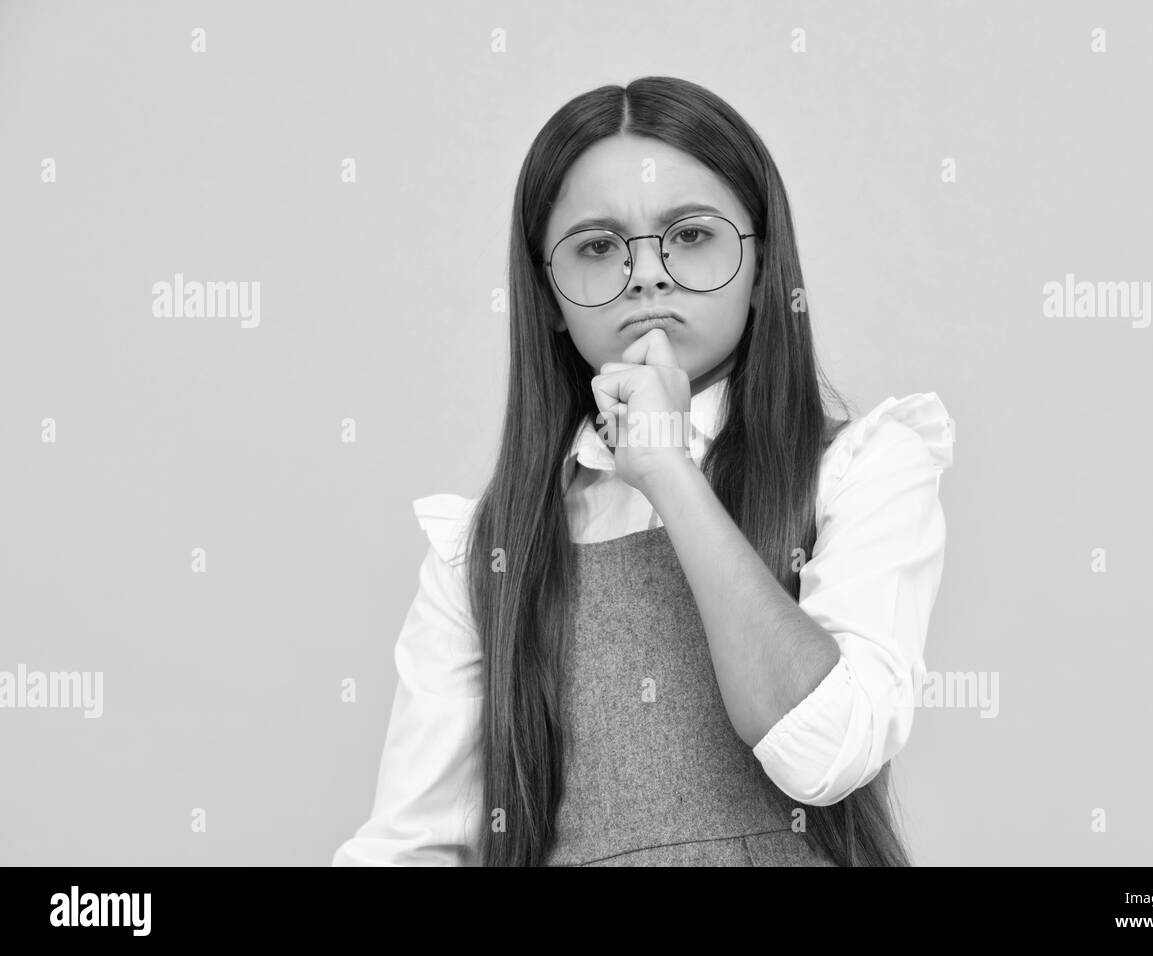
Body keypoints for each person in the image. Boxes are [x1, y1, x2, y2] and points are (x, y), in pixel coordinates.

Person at [332, 75, 954, 867]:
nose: (647, 275)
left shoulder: (860, 469)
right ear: (551, 297)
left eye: (692, 234)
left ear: (763, 268)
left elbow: (825, 755)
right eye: (597, 248)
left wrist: (668, 470)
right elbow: (412, 846)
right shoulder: (485, 551)